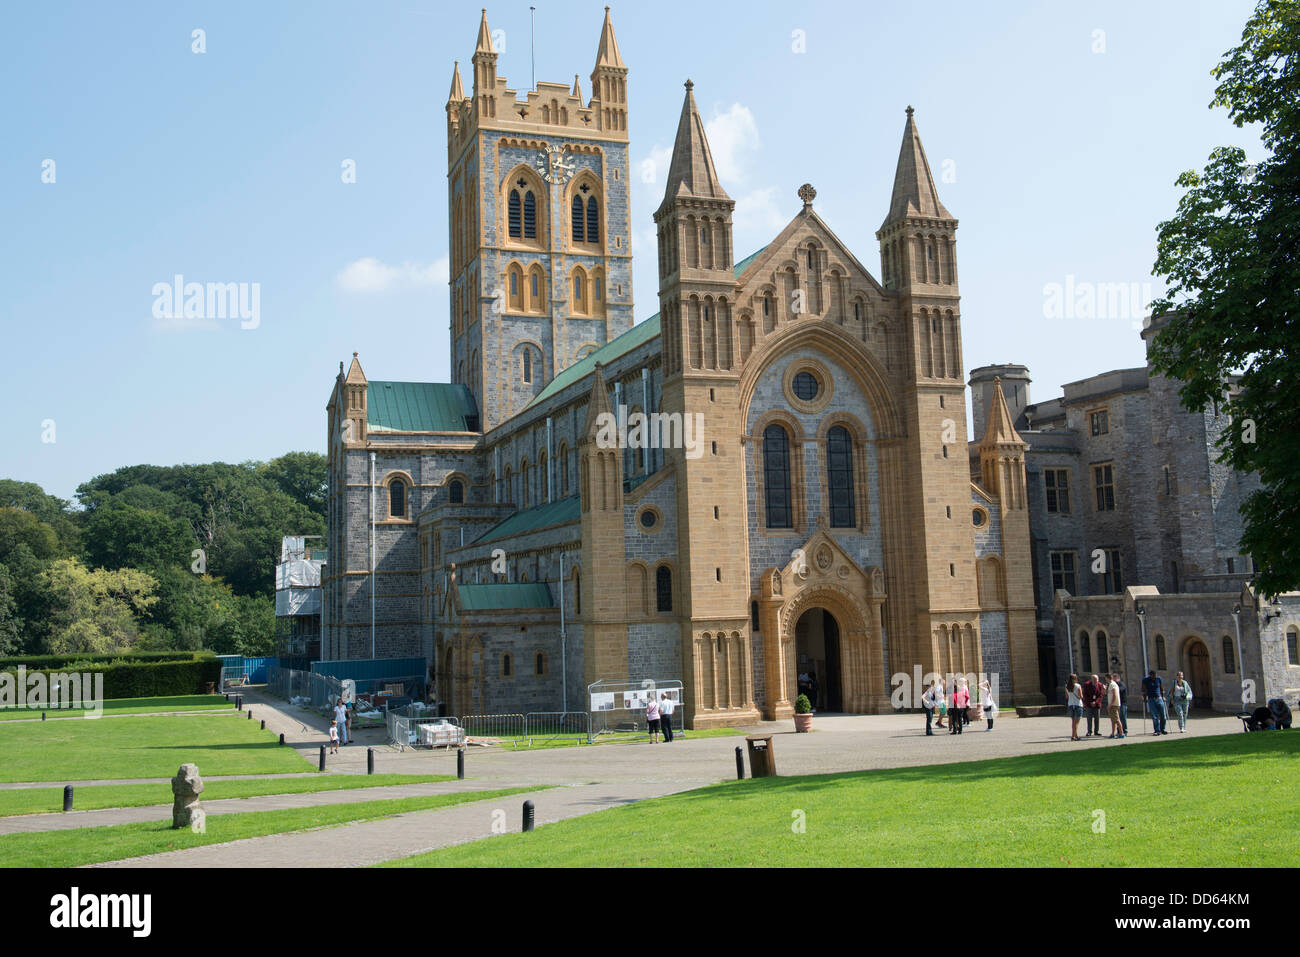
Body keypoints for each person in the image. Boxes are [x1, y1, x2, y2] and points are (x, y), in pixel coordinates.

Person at [1141, 670, 1167, 735]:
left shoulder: (1159, 679)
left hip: (1159, 698)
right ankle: (1157, 730)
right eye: (1153, 676)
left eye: (1155, 675)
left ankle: (1162, 729)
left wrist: (1163, 696)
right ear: (1150, 675)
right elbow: (1143, 689)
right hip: (1151, 699)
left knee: (1163, 715)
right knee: (1155, 716)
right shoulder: (1146, 680)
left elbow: (1161, 688)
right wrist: (1144, 698)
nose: (1154, 677)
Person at [1065, 673, 1084, 741]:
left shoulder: (1067, 686)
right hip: (1078, 704)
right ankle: (1073, 736)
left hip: (1070, 704)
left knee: (1073, 722)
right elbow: (1081, 696)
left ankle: (1076, 735)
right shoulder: (1078, 685)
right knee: (1077, 722)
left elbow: (1066, 697)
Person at [1105, 673, 1124, 739]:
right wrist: (1105, 689)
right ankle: (1113, 733)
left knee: (1116, 719)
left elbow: (1115, 695)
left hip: (1114, 705)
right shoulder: (1110, 684)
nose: (1105, 680)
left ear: (1107, 678)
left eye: (1106, 678)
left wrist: (1110, 704)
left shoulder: (1113, 684)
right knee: (1113, 720)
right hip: (1112, 704)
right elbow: (1108, 693)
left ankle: (1121, 733)